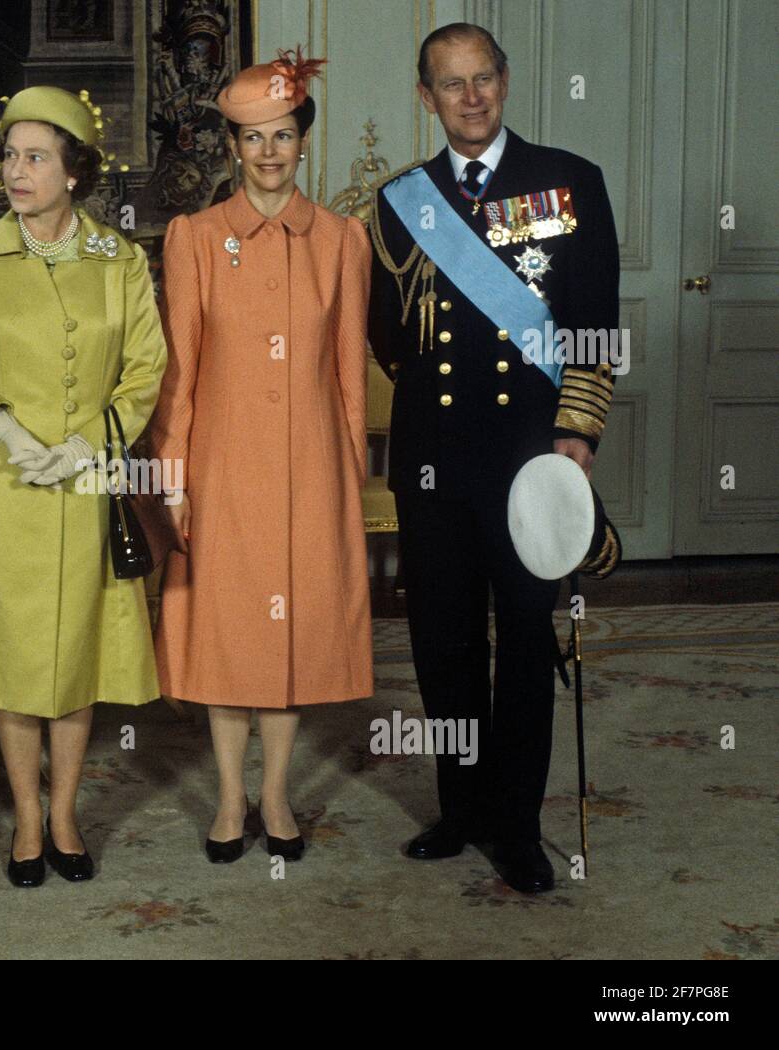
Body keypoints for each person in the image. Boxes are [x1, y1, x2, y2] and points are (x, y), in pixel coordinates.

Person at [366, 22, 619, 893]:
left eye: (483, 80)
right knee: (442, 644)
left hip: (529, 460)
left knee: (521, 640)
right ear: (426, 95)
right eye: (451, 84)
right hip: (434, 459)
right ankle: (461, 806)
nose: (470, 98)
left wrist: (575, 434)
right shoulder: (401, 200)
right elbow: (388, 338)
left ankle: (515, 825)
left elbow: (591, 325)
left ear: (504, 83)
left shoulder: (569, 182)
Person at [0, 86, 167, 888]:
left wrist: (90, 443)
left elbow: (145, 371)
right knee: (15, 656)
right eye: (9, 157)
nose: (15, 173)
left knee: (74, 656)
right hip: (4, 488)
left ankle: (66, 814)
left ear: (73, 172)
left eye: (34, 158)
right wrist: (4, 428)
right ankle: (27, 816)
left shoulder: (118, 261)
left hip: (87, 486)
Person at [149, 49, 374, 863]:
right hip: (224, 465)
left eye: (282, 135)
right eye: (253, 139)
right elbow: (179, 370)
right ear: (234, 150)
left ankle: (275, 797)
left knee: (290, 642)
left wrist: (347, 476)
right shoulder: (197, 238)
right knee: (231, 632)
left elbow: (351, 372)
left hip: (312, 466)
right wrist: (172, 476)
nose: (269, 152)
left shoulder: (344, 241)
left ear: (302, 142)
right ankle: (229, 798)